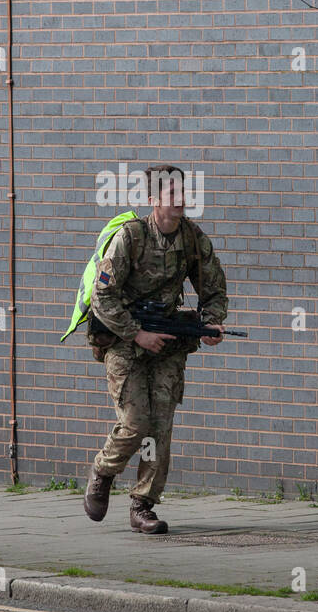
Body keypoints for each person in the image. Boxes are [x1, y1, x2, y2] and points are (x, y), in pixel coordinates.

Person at [82, 164, 229, 534]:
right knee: (135, 423)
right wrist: (136, 334)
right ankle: (102, 473)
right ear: (152, 200)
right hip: (123, 340)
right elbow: (102, 296)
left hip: (167, 343)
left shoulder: (194, 239)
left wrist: (208, 324)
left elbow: (213, 288)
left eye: (183, 193)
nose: (180, 201)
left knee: (160, 426)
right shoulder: (130, 237)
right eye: (171, 194)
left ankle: (143, 505)